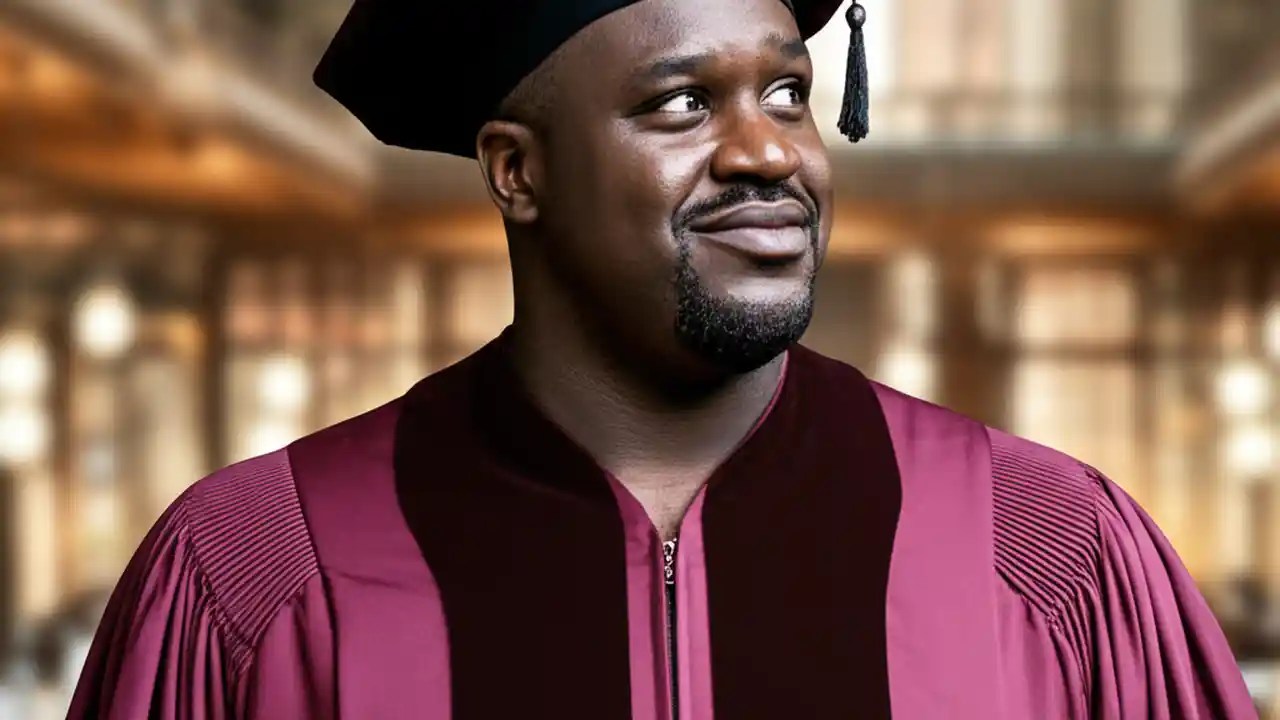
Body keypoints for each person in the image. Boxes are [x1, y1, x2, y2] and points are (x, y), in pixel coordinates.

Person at [68, 0, 1260, 718]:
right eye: (681, 104)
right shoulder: (253, 577)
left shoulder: (1047, 553)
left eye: (786, 92)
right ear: (514, 170)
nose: (765, 153)